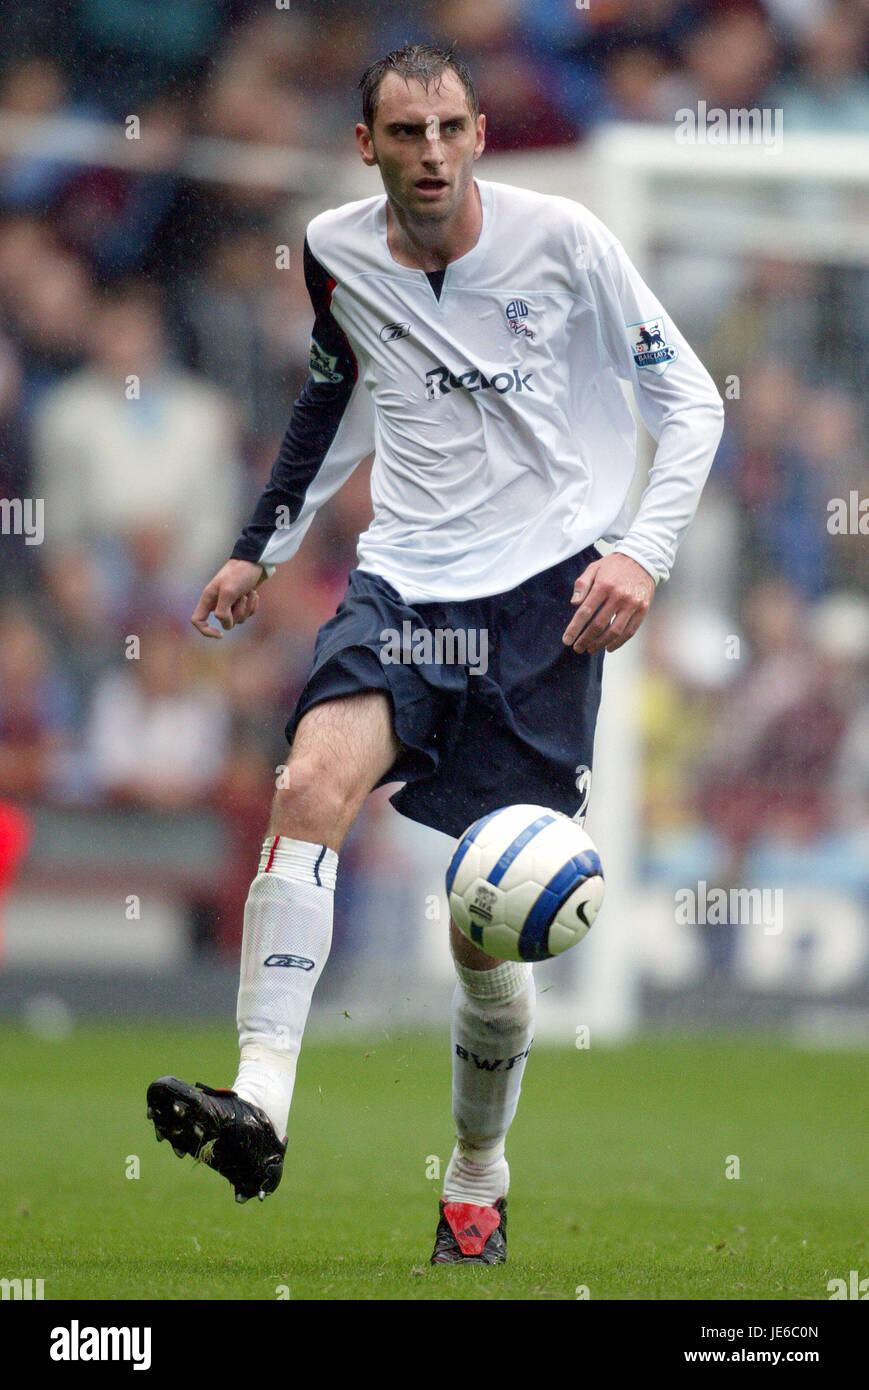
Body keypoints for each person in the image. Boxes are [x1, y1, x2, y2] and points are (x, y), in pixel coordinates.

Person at [146, 44, 724, 1265]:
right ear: (365, 145)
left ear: (477, 134)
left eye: (450, 128)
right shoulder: (334, 249)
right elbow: (333, 390)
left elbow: (692, 405)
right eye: (404, 132)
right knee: (304, 789)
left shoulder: (564, 239)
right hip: (403, 583)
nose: (430, 152)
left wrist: (642, 553)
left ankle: (473, 1172)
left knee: (484, 929)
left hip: (543, 605)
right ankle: (259, 1105)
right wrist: (259, 547)